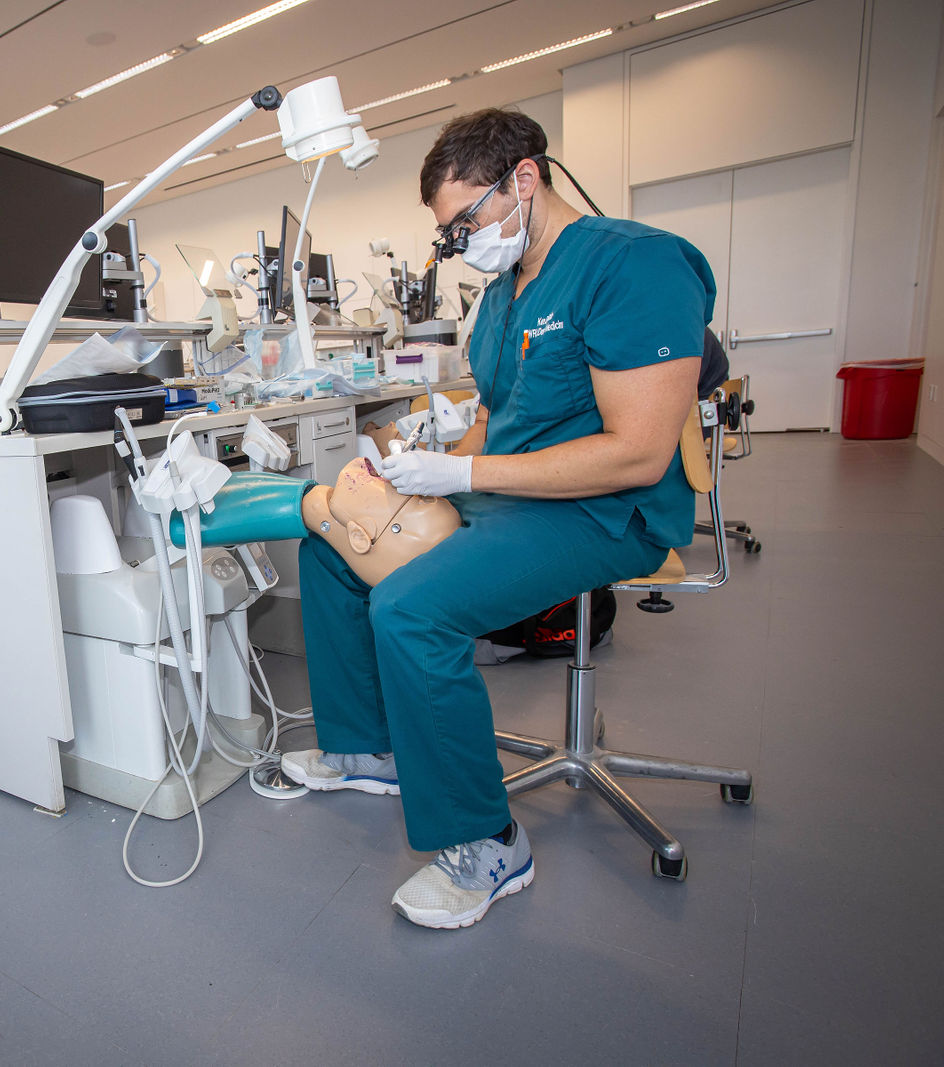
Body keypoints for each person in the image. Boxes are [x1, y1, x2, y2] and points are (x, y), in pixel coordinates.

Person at [280, 108, 716, 930]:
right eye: (449, 235)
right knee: (334, 532)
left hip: (605, 509)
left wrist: (462, 471)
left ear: (525, 179)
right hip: (513, 488)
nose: (459, 244)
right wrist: (430, 449)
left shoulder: (635, 266)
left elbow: (638, 454)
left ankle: (488, 844)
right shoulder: (508, 292)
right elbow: (503, 419)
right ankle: (366, 749)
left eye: (464, 223)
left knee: (411, 609)